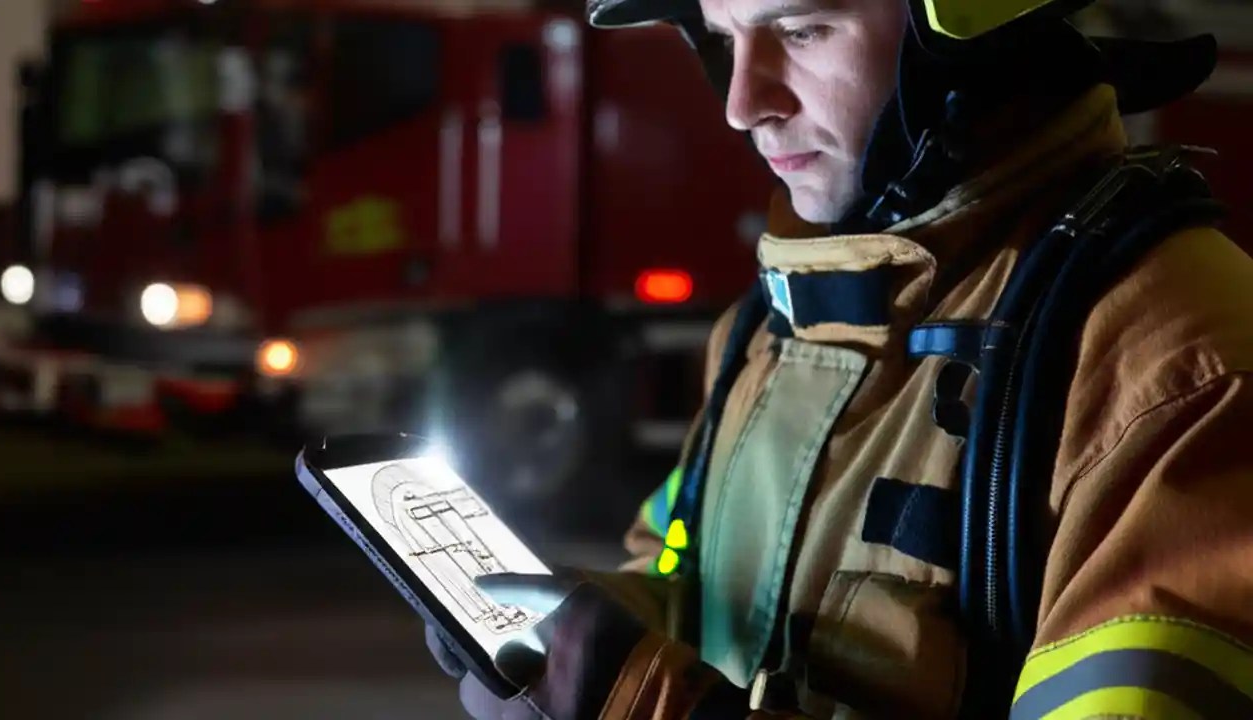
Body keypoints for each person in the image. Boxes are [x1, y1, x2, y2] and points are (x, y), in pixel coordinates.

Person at [428, 0, 1253, 717]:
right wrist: (586, 630)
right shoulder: (769, 324)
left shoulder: (1181, 364)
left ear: (975, 34)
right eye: (725, 39)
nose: (743, 104)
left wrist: (642, 699)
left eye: (801, 29)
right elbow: (697, 582)